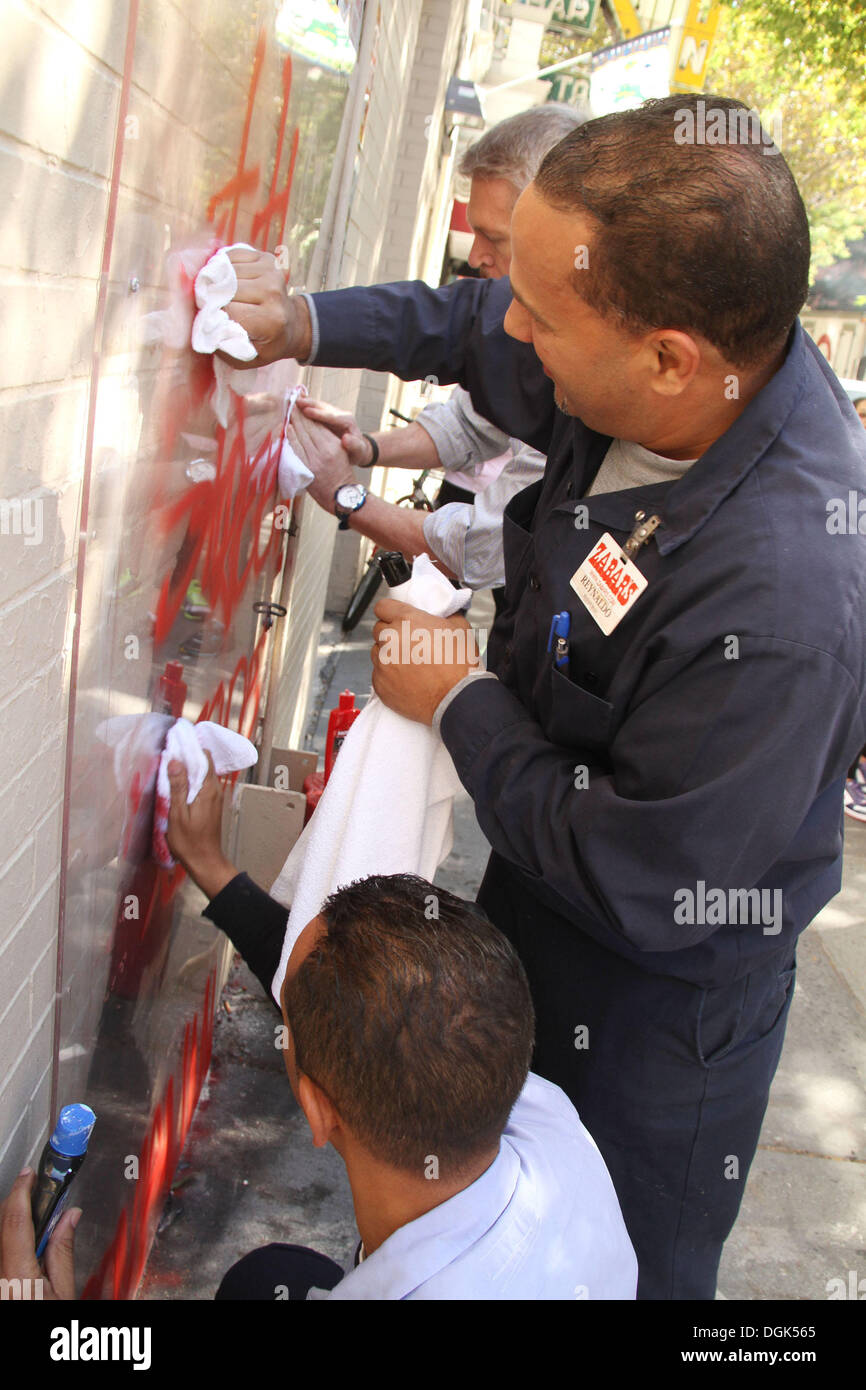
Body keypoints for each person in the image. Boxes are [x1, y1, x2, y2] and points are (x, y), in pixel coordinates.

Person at [220, 94, 866, 1299]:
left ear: (669, 357)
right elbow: (468, 323)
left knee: (609, 1268)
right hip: (538, 893)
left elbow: (651, 875)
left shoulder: (783, 599)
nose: (511, 328)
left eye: (541, 316)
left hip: (653, 1010)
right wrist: (300, 320)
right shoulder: (630, 346)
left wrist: (458, 699)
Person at [0, 762, 637, 1302]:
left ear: (316, 1107)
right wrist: (212, 866)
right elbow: (352, 1009)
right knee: (273, 1279)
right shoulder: (541, 1112)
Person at [294, 105, 589, 593]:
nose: (475, 257)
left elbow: (484, 547)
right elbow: (472, 425)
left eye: (493, 237)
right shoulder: (535, 332)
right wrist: (365, 448)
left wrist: (347, 496)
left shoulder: (584, 386)